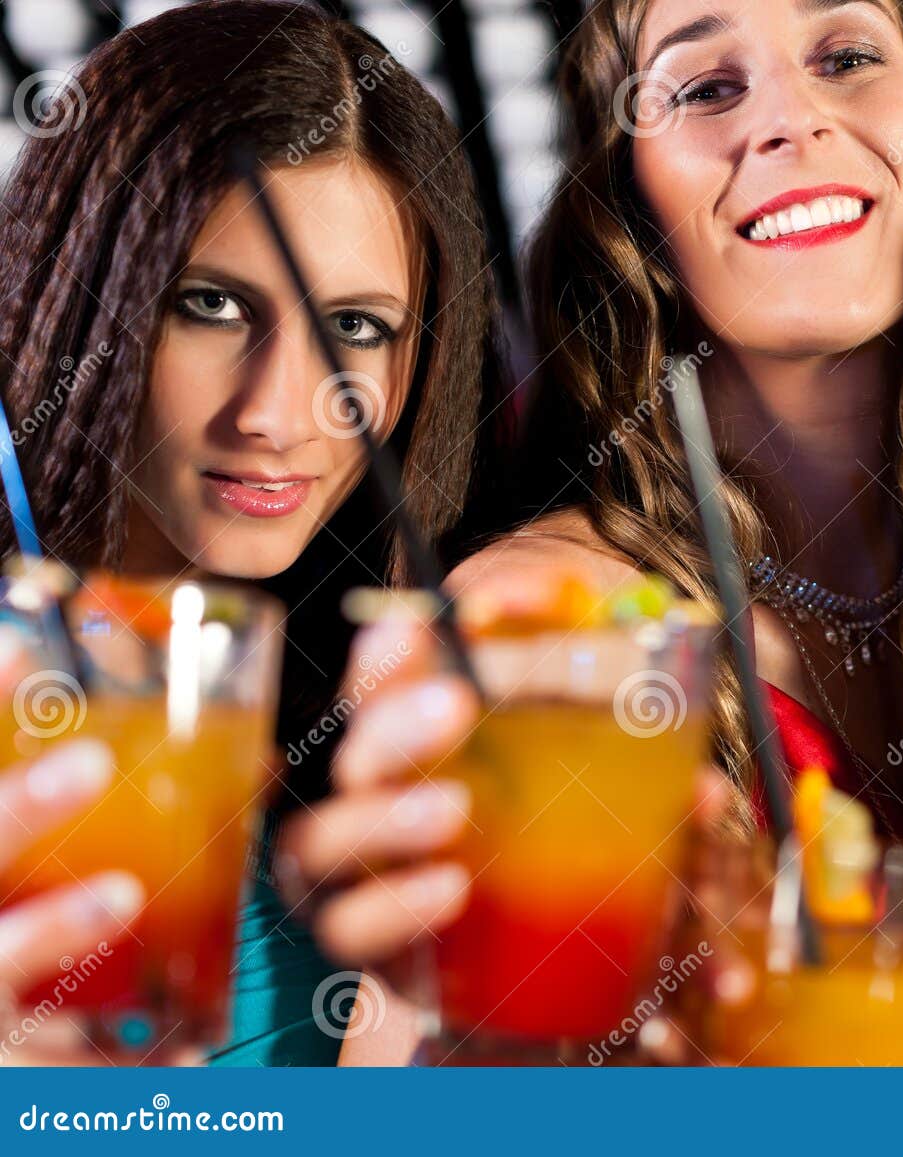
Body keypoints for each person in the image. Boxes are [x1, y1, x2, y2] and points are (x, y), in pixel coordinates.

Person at [277, 0, 903, 1063]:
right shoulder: (550, 629)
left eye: (847, 56)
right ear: (630, 214)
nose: (791, 117)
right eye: (707, 88)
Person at [0, 0, 499, 1065]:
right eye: (213, 306)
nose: (276, 416)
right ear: (88, 299)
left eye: (355, 327)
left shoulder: (398, 715)